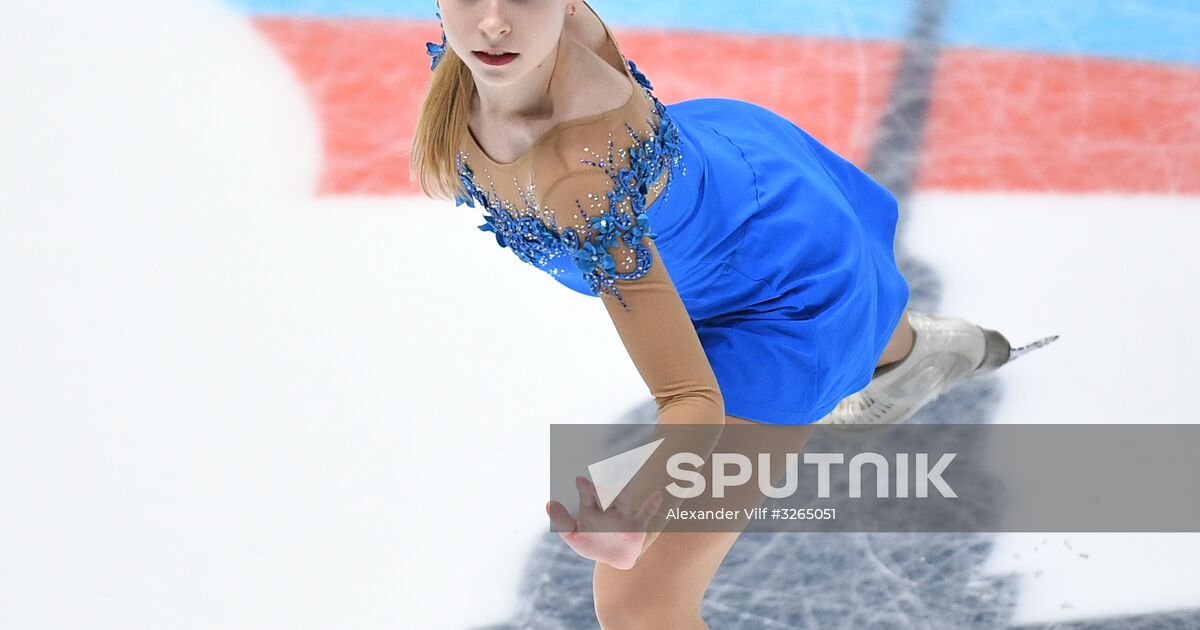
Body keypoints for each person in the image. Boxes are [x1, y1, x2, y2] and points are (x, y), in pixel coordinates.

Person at [409, 1, 1035, 627]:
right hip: (739, 182)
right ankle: (910, 352)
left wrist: (636, 505)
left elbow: (689, 396)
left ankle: (897, 350)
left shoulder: (581, 179)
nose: (492, 23)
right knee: (857, 322)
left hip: (780, 298)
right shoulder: (505, 52)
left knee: (638, 604)